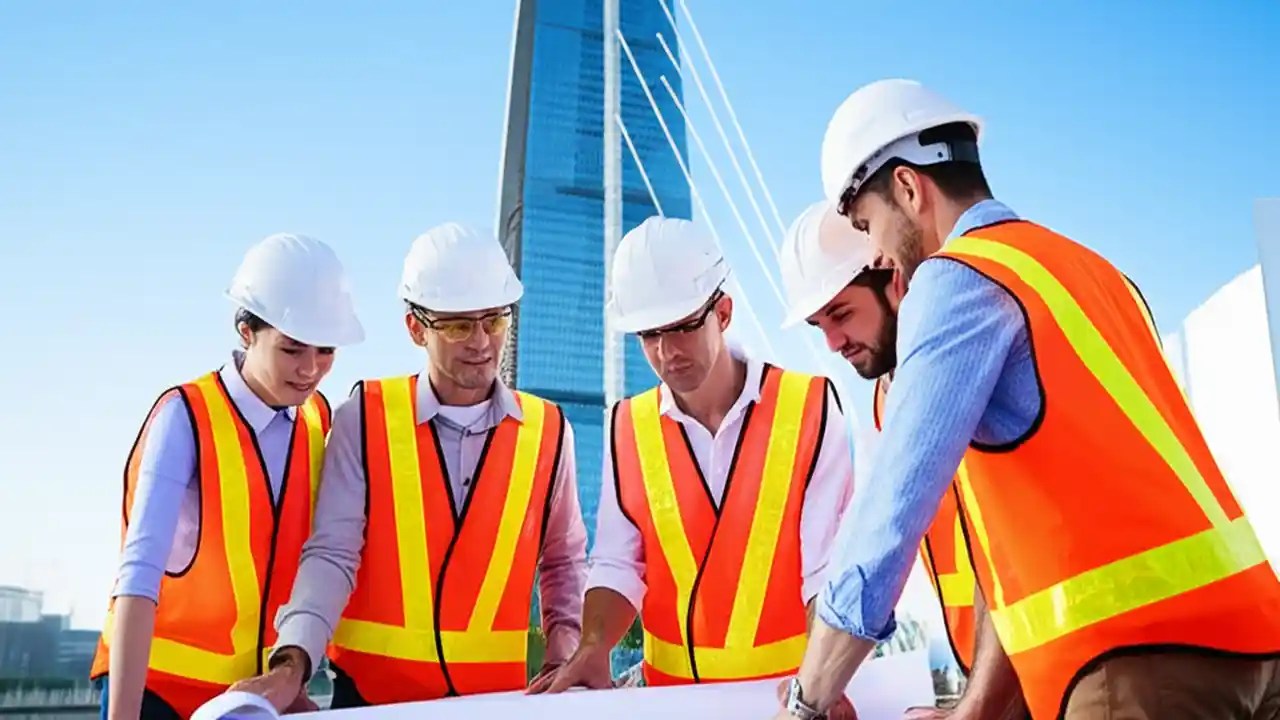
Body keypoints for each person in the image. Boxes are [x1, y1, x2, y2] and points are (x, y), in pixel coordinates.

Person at [770, 78, 1280, 720]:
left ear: (908, 187)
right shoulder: (1091, 269)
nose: (875, 252)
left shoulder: (956, 279)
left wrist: (806, 700)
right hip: (1257, 638)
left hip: (1132, 664)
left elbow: (887, 518)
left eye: (869, 225)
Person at [228, 222, 588, 709]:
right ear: (416, 328)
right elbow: (332, 553)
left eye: (495, 321)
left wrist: (565, 654)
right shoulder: (365, 416)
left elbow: (563, 562)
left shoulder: (549, 430)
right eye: (459, 325)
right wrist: (291, 664)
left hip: (496, 705)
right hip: (372, 704)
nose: (482, 342)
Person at [529, 216, 857, 717]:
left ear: (723, 312)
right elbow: (619, 561)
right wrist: (593, 646)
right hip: (671, 702)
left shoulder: (808, 406)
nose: (666, 352)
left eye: (682, 327)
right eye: (649, 334)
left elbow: (826, 570)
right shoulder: (627, 426)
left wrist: (820, 684)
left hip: (785, 701)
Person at [89, 233, 366, 720]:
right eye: (292, 349)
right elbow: (137, 579)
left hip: (247, 699)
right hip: (155, 692)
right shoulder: (186, 417)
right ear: (246, 331)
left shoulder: (318, 419)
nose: (310, 369)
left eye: (326, 350)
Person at [779, 201, 1028, 720]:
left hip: (1049, 672)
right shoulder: (883, 402)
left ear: (892, 277)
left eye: (842, 314)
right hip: (998, 680)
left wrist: (977, 708)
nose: (832, 343)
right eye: (817, 325)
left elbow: (1011, 554)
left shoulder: (965, 352)